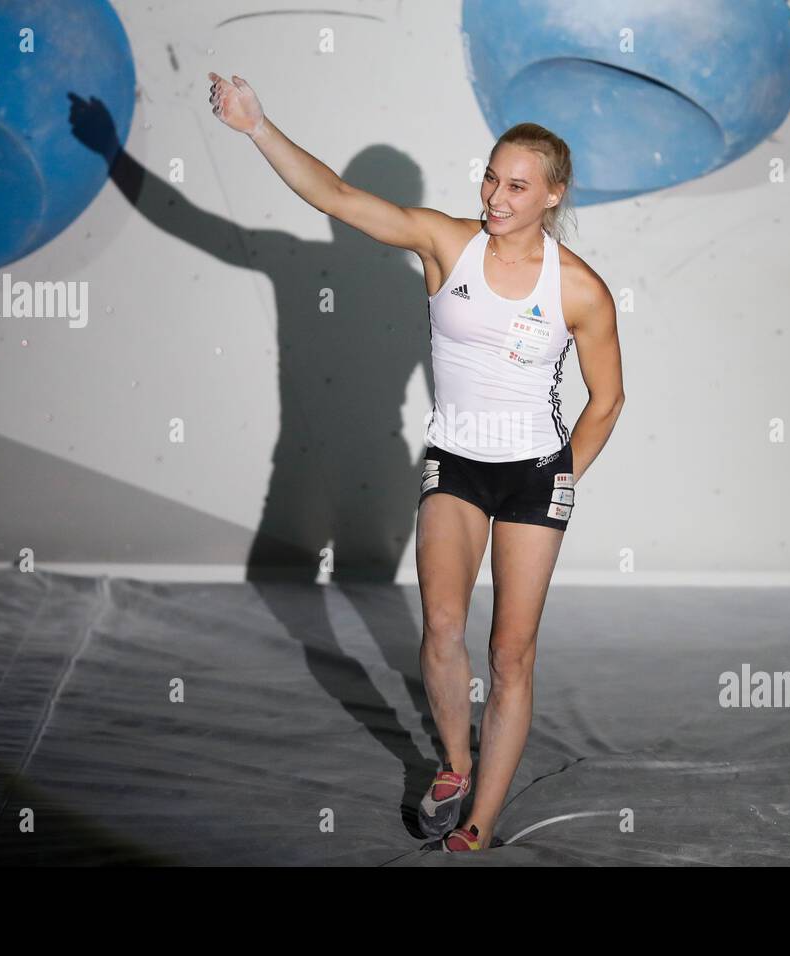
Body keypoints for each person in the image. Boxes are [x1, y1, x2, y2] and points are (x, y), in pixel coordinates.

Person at [208, 72, 625, 851]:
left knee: (510, 653)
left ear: (552, 196)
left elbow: (608, 400)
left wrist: (562, 475)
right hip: (456, 464)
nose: (495, 196)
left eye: (516, 186)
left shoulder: (579, 290)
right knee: (439, 627)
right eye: (491, 178)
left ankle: (480, 820)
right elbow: (334, 195)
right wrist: (257, 125)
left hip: (535, 474)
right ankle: (455, 763)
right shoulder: (446, 242)